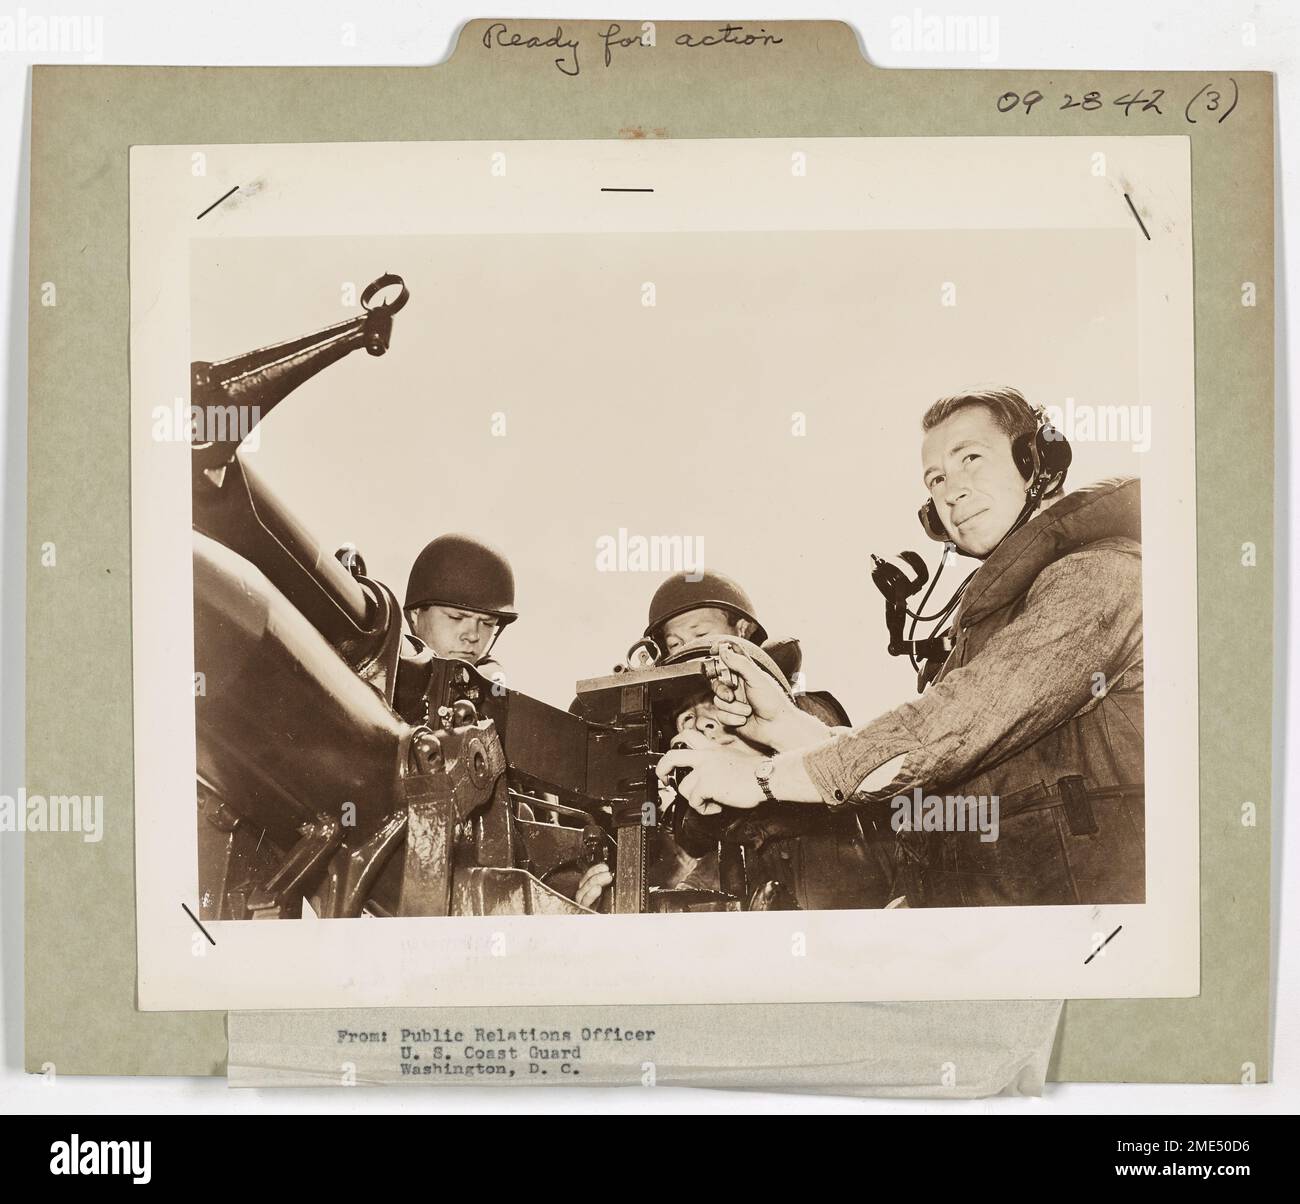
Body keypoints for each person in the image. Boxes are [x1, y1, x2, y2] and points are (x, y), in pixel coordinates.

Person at [657, 387, 1144, 908]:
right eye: (936, 479)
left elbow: (951, 727)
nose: (952, 490)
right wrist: (774, 722)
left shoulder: (1098, 575)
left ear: (1036, 460)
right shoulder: (996, 618)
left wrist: (761, 779)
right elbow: (912, 768)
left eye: (971, 458)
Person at [403, 533, 518, 676]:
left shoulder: (494, 680)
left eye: (487, 623)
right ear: (416, 614)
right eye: (456, 618)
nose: (473, 636)